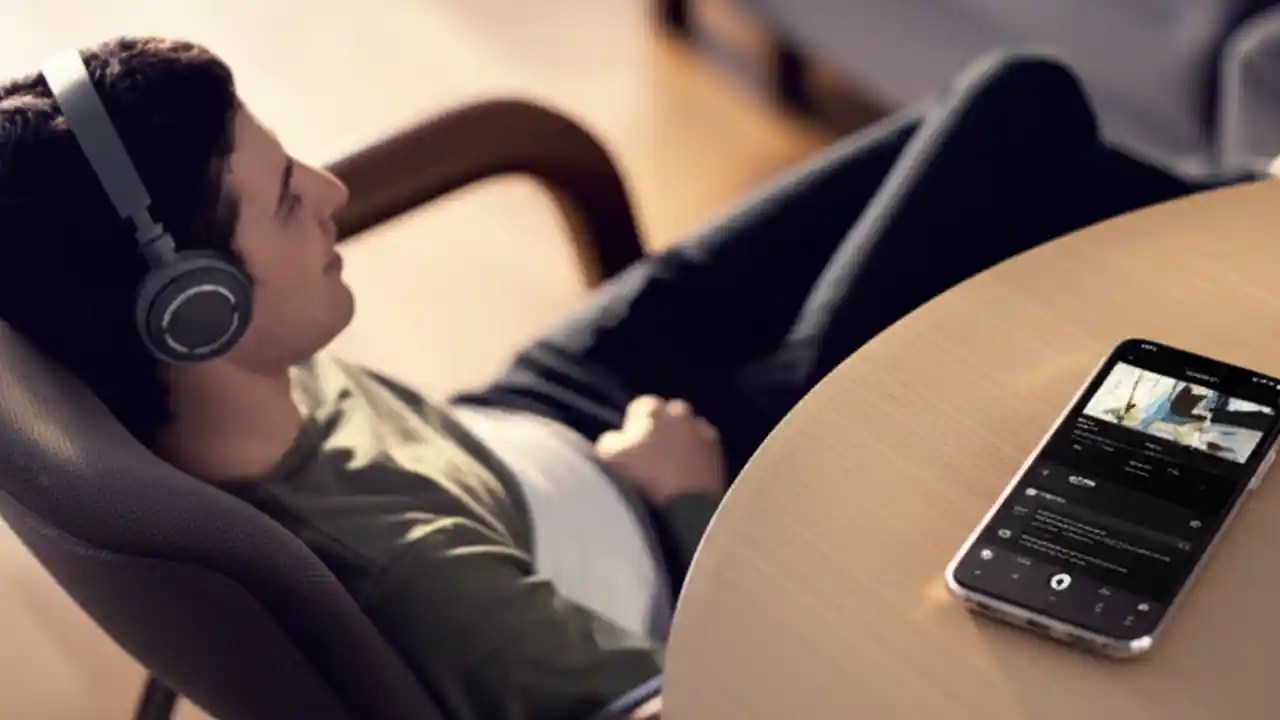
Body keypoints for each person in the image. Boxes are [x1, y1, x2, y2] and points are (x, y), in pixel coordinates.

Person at [0, 36, 1258, 720]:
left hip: (535, 417)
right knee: (1012, 139)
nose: (331, 192)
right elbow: (690, 700)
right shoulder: (421, 580)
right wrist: (678, 497)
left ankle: (1228, 234)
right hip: (688, 520)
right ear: (193, 307)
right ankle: (1240, 239)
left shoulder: (205, 375)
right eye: (285, 200)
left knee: (1014, 100)